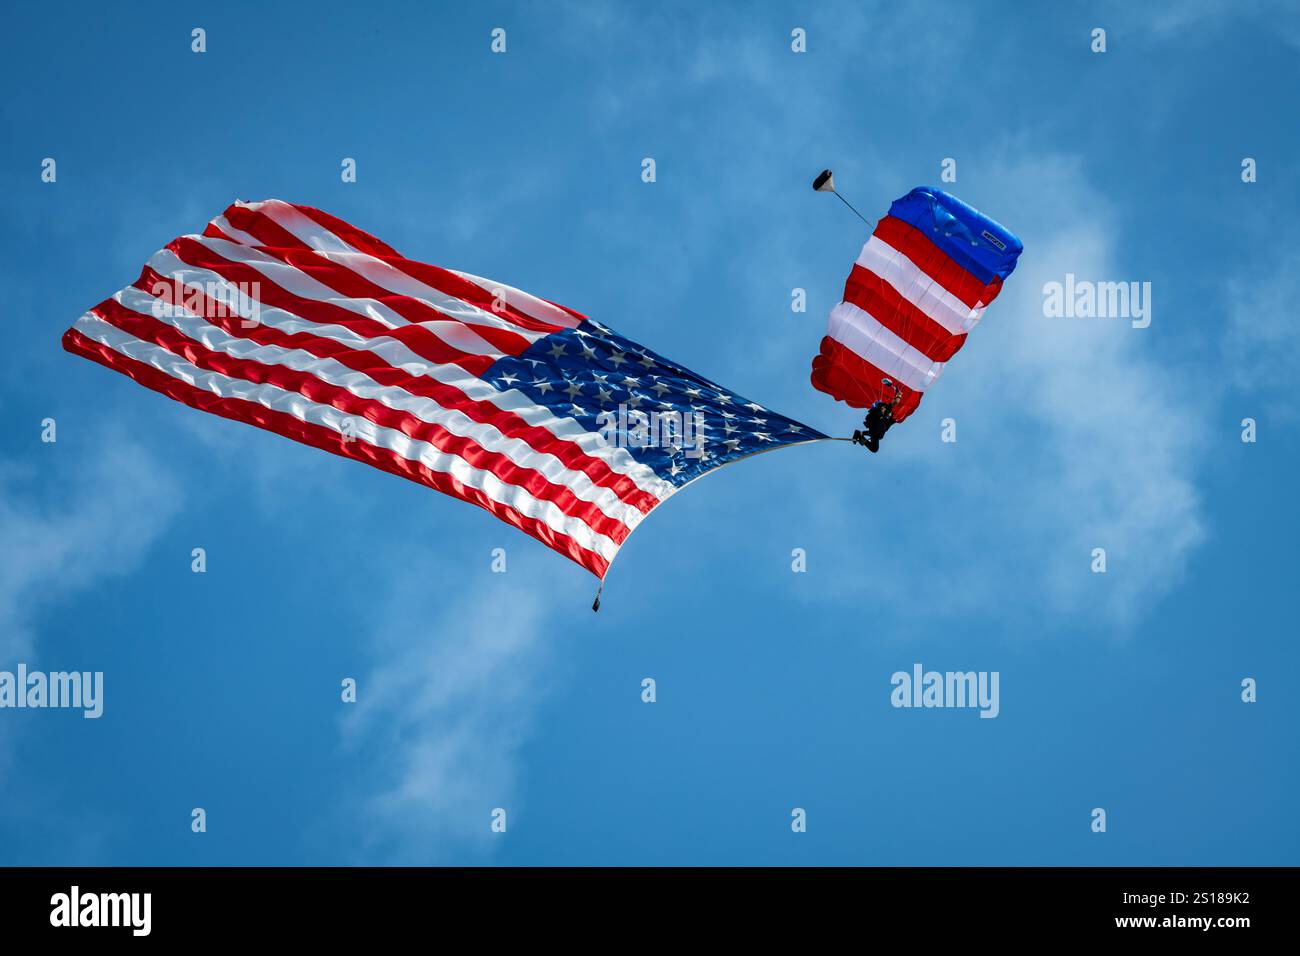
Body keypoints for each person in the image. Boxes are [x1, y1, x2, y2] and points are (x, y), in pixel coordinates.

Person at [852, 380, 902, 453]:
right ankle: (859, 434)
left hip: (877, 431)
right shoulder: (887, 408)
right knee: (875, 444)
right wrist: (898, 394)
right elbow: (896, 402)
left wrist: (898, 393)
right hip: (876, 424)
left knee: (874, 446)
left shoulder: (888, 419)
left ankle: (859, 434)